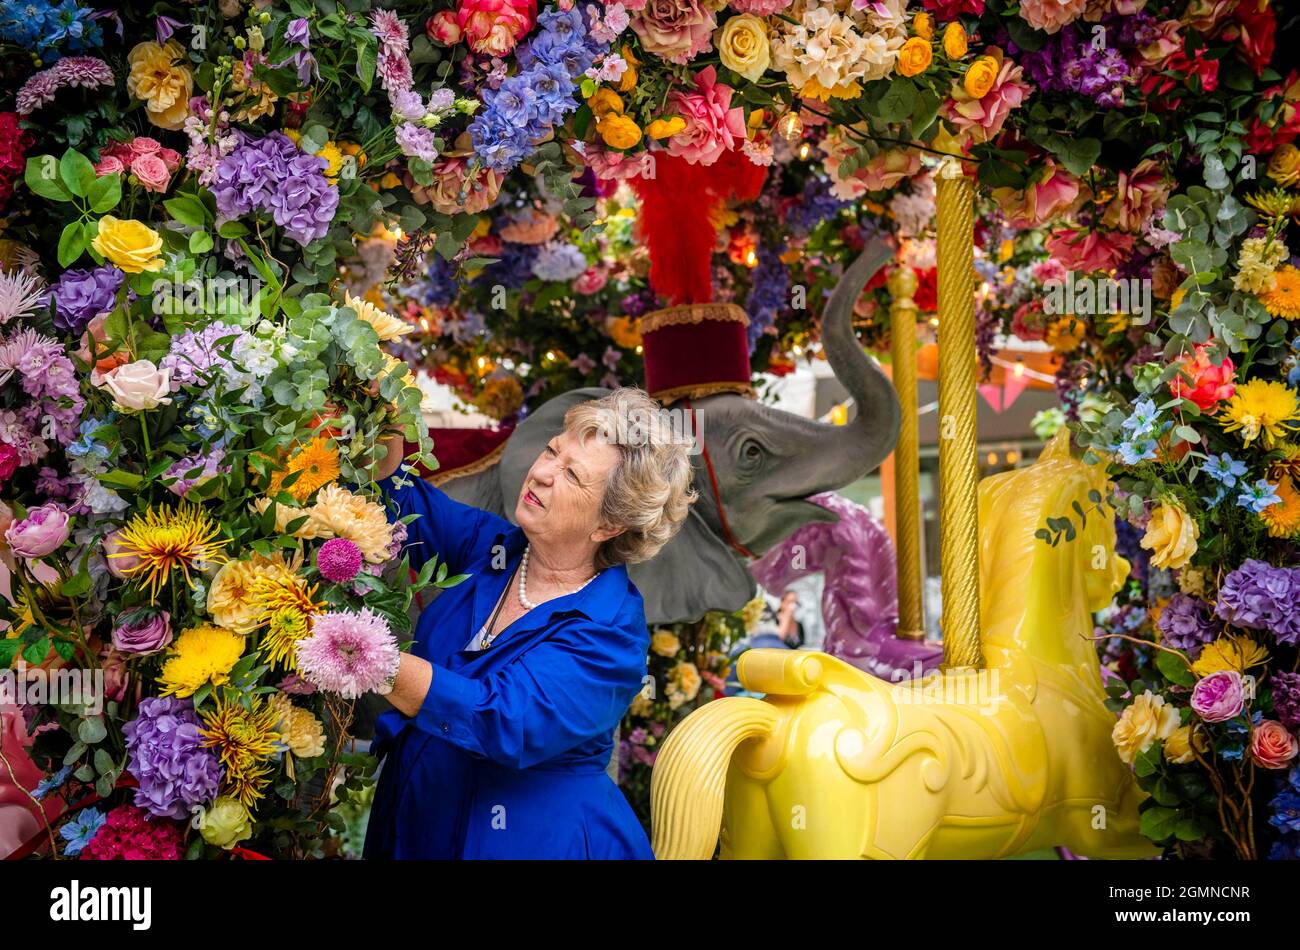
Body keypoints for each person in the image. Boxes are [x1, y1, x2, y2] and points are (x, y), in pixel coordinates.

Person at [362, 388, 696, 859]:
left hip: (529, 840)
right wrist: (384, 436)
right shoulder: (496, 548)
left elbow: (504, 720)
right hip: (420, 814)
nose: (539, 473)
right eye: (552, 451)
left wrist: (376, 661)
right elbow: (397, 506)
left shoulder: (613, 632)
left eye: (572, 475)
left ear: (609, 524)